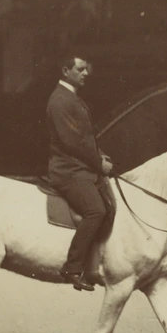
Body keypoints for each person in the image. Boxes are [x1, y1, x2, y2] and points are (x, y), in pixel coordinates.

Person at [46, 53, 114, 291]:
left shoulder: (72, 98)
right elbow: (72, 142)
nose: (86, 73)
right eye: (80, 69)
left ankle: (93, 268)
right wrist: (98, 164)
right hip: (68, 171)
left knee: (108, 204)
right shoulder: (60, 101)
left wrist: (100, 155)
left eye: (86, 69)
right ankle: (73, 267)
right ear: (66, 71)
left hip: (81, 168)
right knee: (96, 210)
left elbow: (86, 138)